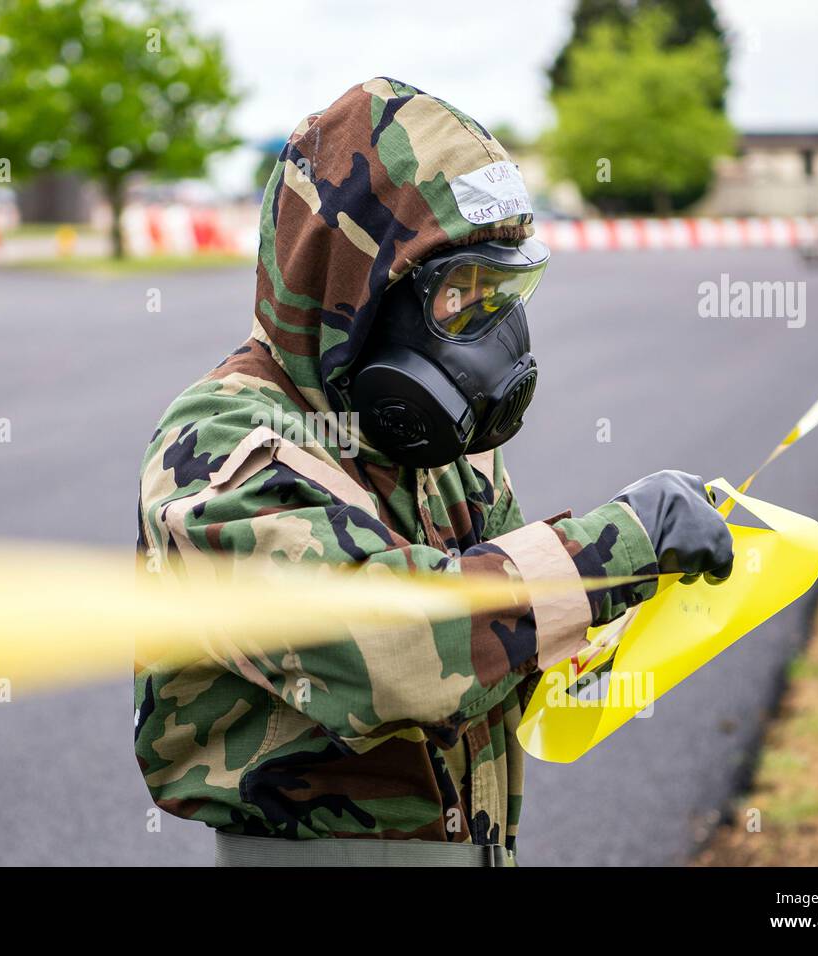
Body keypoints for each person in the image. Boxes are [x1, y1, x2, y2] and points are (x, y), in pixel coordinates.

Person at [134, 78, 732, 867]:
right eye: (460, 296)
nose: (488, 334)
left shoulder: (429, 445)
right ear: (357, 285)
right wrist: (616, 549)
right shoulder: (223, 447)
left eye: (501, 293)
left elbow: (510, 637)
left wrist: (635, 603)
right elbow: (394, 653)